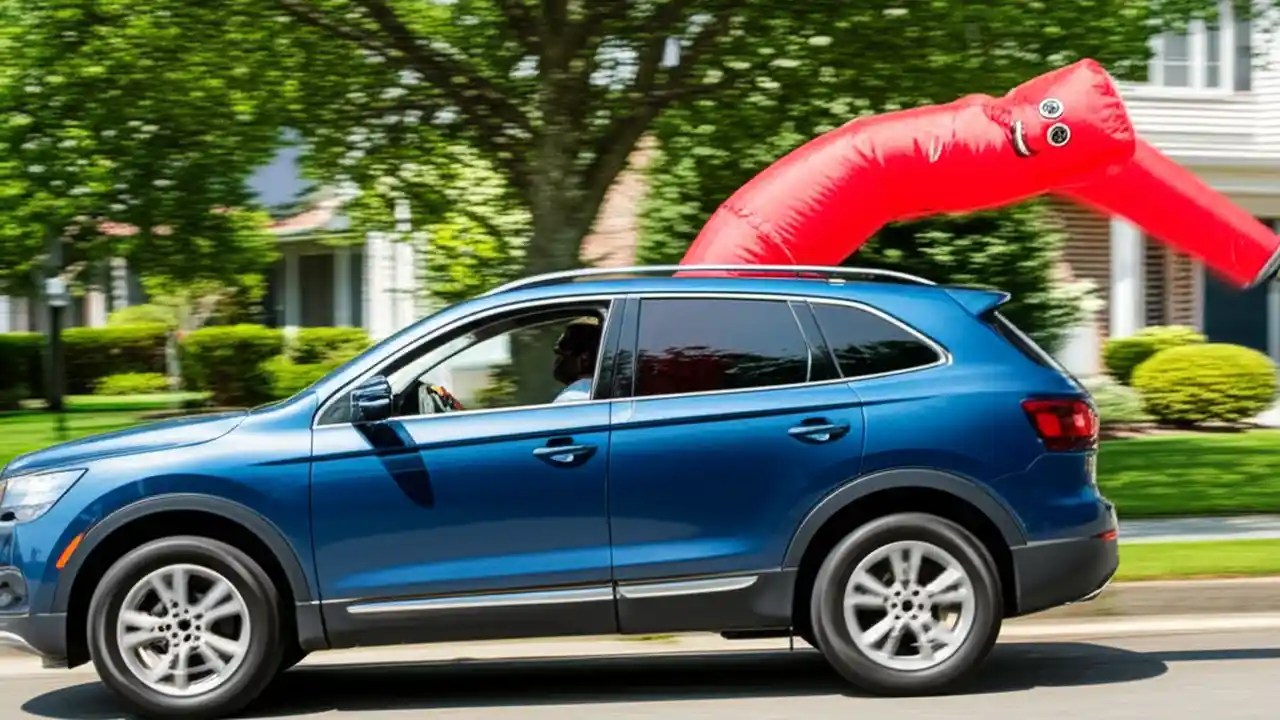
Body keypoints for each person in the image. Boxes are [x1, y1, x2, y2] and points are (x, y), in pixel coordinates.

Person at [552, 317, 602, 403]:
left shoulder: (572, 398)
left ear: (584, 358)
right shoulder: (601, 391)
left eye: (561, 353)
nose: (557, 360)